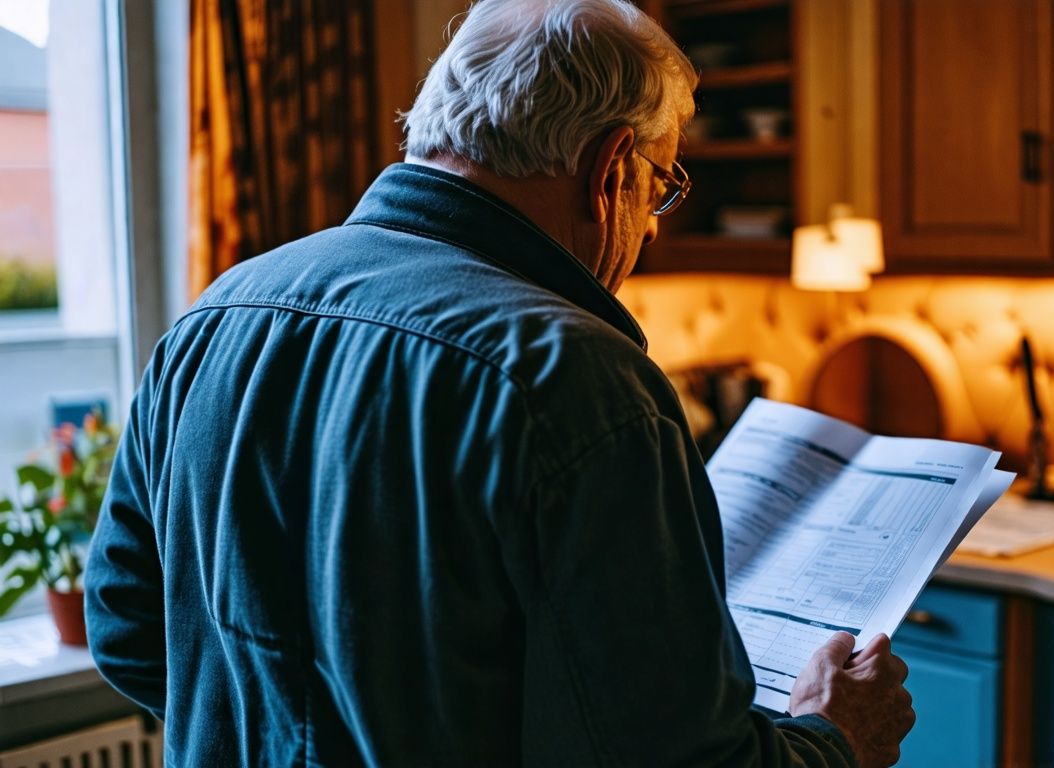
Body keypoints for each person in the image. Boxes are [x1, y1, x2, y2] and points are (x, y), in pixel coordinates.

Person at [85, 0, 915, 765]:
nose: (652, 231)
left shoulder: (216, 316)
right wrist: (836, 738)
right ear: (612, 168)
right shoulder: (581, 380)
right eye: (662, 184)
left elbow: (126, 625)